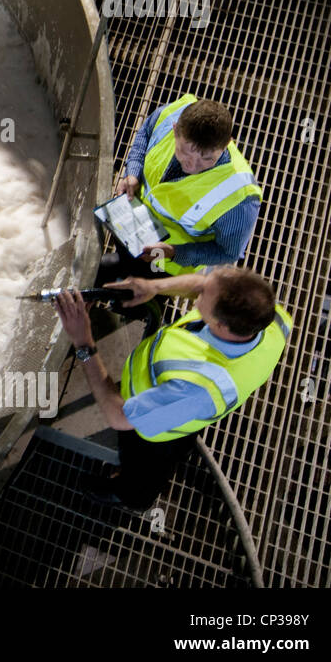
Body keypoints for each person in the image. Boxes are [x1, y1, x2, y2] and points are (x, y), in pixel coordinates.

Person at [54, 266, 291, 511]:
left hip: (155, 431)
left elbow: (119, 417)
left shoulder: (199, 388)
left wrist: (83, 341)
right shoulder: (270, 316)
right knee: (182, 439)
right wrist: (154, 287)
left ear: (221, 326)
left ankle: (131, 498)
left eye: (201, 298)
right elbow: (201, 281)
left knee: (146, 468)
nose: (195, 300)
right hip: (183, 408)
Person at [100, 94, 262, 284]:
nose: (192, 166)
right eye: (185, 152)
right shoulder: (170, 114)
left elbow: (228, 252)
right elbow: (144, 134)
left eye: (207, 159)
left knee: (134, 295)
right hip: (132, 222)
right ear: (175, 128)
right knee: (119, 266)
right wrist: (133, 172)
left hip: (164, 264)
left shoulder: (240, 197)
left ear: (227, 145)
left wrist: (175, 252)